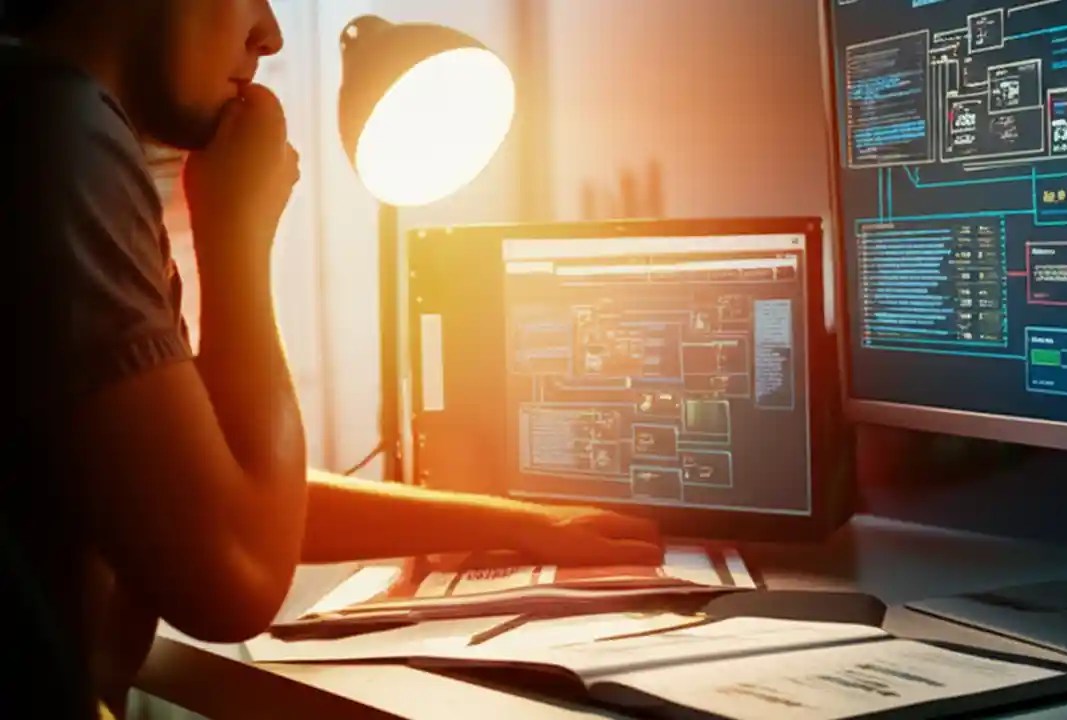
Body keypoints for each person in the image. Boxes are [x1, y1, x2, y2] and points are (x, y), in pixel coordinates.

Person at [0, 1, 661, 717]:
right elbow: (234, 579)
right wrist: (238, 237)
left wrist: (515, 524)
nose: (270, 34)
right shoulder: (55, 126)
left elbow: (203, 485)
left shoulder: (52, 115)